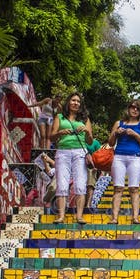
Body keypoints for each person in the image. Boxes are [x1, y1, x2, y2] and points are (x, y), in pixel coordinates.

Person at [50, 91, 93, 224]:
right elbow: (51, 137)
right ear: (68, 102)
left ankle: (79, 216)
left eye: (78, 101)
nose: (76, 103)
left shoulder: (85, 119)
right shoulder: (60, 117)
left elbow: (90, 141)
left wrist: (86, 131)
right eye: (73, 100)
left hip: (80, 152)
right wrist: (60, 133)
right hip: (63, 152)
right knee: (62, 185)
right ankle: (61, 216)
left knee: (80, 184)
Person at [108, 99, 140, 223]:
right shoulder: (118, 123)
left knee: (134, 188)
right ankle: (114, 218)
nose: (134, 109)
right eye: (132, 107)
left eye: (137, 108)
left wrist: (135, 135)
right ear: (128, 108)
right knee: (118, 188)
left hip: (135, 157)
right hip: (119, 157)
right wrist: (116, 133)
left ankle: (135, 217)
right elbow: (110, 143)